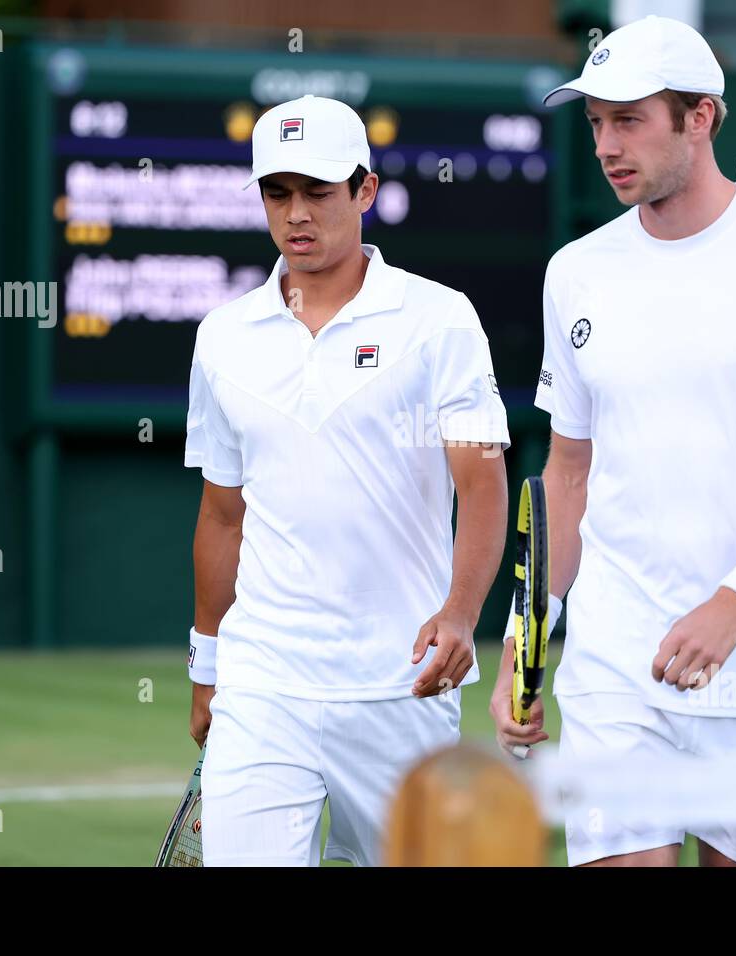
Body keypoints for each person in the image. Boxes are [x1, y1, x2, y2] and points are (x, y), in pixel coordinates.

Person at [490, 16, 736, 867]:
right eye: (595, 121)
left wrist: (732, 603)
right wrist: (528, 638)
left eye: (629, 119)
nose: (606, 144)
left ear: (701, 117)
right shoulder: (576, 271)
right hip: (612, 663)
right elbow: (568, 475)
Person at [186, 94, 510, 866]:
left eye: (319, 192)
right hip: (264, 689)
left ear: (364, 192)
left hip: (405, 689)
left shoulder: (441, 319)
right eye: (277, 192)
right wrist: (208, 665)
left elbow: (484, 485)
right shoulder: (221, 337)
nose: (297, 214)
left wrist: (461, 614)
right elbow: (222, 517)